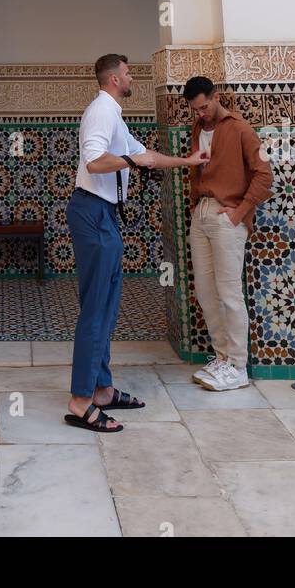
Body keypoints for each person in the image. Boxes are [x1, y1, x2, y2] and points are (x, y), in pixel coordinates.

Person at [64, 53, 208, 433]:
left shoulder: (115, 114)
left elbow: (145, 157)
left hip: (104, 215)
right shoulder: (101, 111)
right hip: (92, 213)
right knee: (95, 310)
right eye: (128, 74)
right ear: (114, 79)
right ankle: (80, 400)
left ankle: (102, 389)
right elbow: (95, 161)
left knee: (107, 308)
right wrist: (129, 160)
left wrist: (187, 161)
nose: (132, 79)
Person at [182, 75, 273, 392]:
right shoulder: (198, 129)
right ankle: (222, 359)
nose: (201, 114)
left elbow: (264, 175)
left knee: (230, 294)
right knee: (206, 293)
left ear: (215, 96)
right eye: (196, 110)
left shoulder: (240, 129)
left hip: (227, 218)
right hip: (202, 214)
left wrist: (239, 212)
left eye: (205, 107)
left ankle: (238, 365)